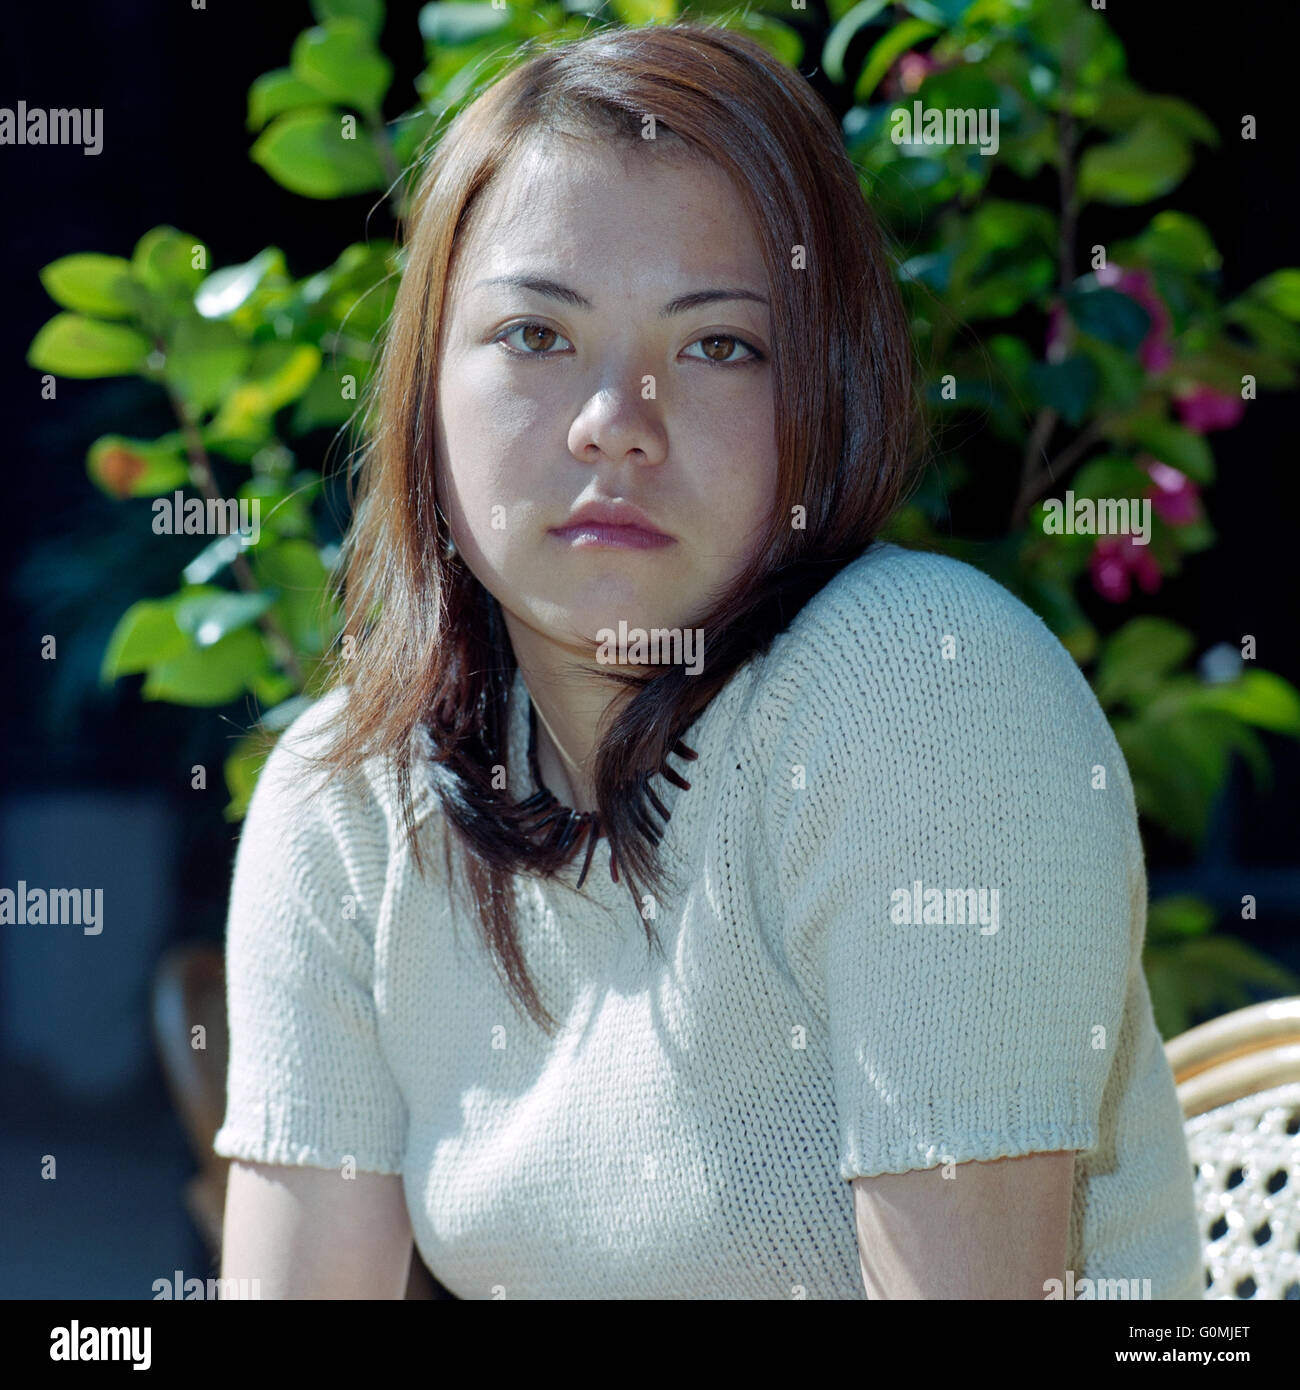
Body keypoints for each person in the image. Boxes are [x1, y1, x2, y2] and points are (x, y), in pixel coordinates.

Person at [213, 19, 1204, 1300]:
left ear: (821, 396)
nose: (615, 423)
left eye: (718, 345)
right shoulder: (348, 796)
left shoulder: (923, 696)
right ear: (423, 388)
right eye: (534, 334)